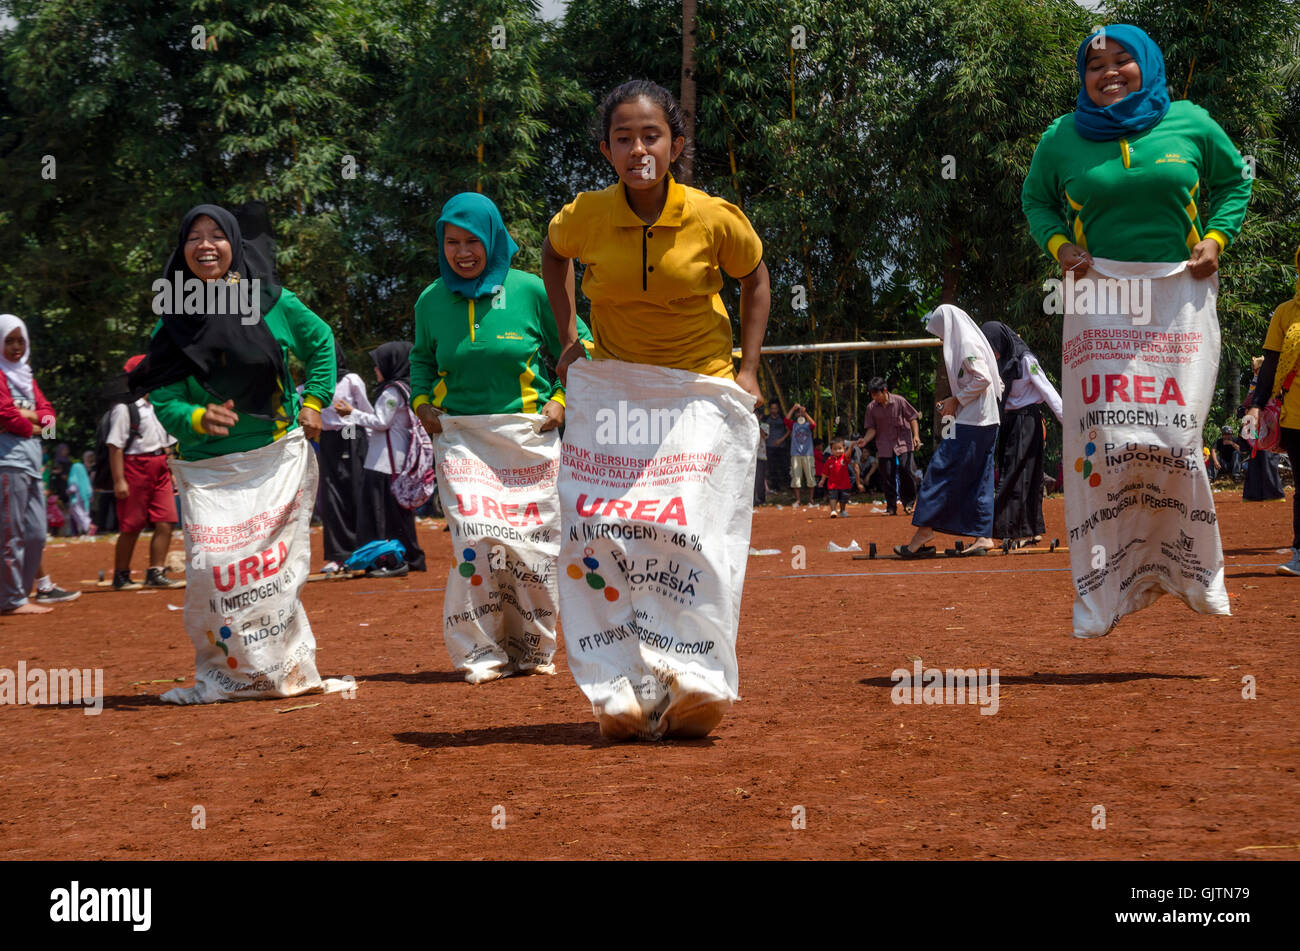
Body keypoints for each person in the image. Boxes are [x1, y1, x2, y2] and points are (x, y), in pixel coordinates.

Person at [543, 79, 770, 738]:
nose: (638, 148)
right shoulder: (585, 215)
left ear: (674, 143)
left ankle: (695, 674)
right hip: (615, 390)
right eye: (623, 137)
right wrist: (568, 339)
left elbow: (754, 278)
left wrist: (749, 369)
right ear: (607, 147)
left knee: (686, 527)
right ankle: (620, 682)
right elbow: (555, 253)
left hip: (698, 390)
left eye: (651, 135)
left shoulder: (711, 217)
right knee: (600, 527)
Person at [1021, 24, 1250, 634]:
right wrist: (1061, 246)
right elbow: (1036, 200)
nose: (1110, 72)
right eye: (1096, 65)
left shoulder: (1191, 123)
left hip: (1179, 304)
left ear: (1146, 64)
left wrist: (1215, 238)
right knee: (1107, 446)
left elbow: (1235, 183)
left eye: (1123, 60)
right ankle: (1104, 594)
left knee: (1176, 445)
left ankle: (1194, 576)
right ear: (1083, 77)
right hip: (1099, 304)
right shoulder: (1063, 138)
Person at [128, 202, 338, 703]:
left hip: (274, 458)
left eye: (217, 236)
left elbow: (323, 342)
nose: (206, 245)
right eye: (194, 236)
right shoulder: (172, 322)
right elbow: (164, 395)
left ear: (236, 246)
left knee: (274, 572)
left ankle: (283, 670)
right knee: (214, 568)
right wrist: (198, 418)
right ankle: (228, 674)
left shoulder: (273, 301)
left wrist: (313, 402)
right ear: (181, 251)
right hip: (208, 470)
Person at [409, 191, 591, 682]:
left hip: (529, 437)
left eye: (472, 241)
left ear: (493, 238)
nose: (462, 252)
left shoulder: (532, 289)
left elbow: (579, 344)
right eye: (451, 242)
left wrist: (563, 401)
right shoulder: (430, 300)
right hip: (463, 439)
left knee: (532, 547)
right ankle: (481, 652)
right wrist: (421, 401)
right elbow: (422, 358)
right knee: (476, 537)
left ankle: (533, 649)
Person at [896, 305, 1002, 558]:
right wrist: (955, 401)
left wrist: (957, 401)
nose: (940, 338)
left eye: (940, 332)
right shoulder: (970, 340)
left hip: (974, 423)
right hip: (984, 421)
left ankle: (924, 531)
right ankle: (983, 536)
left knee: (939, 470)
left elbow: (984, 378)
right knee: (981, 478)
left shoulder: (965, 343)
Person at [336, 341, 425, 576]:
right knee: (398, 517)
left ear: (390, 364)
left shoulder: (392, 392)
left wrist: (351, 413)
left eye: (378, 365)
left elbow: (381, 423)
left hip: (384, 464)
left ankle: (388, 561)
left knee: (379, 517)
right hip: (392, 462)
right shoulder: (407, 388)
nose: (375, 370)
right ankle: (407, 558)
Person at [980, 321, 1064, 546]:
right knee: (1017, 472)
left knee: (1021, 474)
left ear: (1002, 341)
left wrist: (1067, 420)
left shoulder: (1026, 360)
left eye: (993, 346)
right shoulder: (999, 363)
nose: (993, 352)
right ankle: (1029, 529)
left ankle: (1012, 529)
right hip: (1008, 421)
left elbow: (1047, 390)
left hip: (1027, 421)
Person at [1243, 244, 1300, 576]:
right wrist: (1256, 407)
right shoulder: (1286, 313)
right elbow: (1271, 364)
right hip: (1295, 416)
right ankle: (1299, 553)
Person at [0, 314, 57, 614]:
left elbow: (50, 418)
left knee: (35, 533)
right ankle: (12, 599)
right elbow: (4, 414)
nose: (15, 347)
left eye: (20, 340)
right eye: (8, 341)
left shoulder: (25, 376)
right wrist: (31, 422)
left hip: (33, 463)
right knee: (11, 534)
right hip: (8, 462)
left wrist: (31, 421)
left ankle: (17, 594)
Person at [108, 354, 181, 589]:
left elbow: (166, 444)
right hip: (134, 467)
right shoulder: (125, 408)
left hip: (159, 465)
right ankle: (121, 575)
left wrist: (172, 472)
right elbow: (115, 447)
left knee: (166, 520)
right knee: (132, 524)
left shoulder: (161, 405)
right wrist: (119, 480)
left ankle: (155, 572)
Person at [316, 341, 371, 574]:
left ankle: (364, 551)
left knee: (356, 492)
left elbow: (367, 412)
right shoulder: (312, 384)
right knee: (331, 497)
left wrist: (370, 444)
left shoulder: (351, 380)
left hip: (352, 435)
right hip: (328, 440)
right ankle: (338, 556)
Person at [856, 377, 921, 516]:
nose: (874, 397)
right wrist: (865, 440)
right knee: (887, 475)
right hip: (884, 444)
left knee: (906, 470)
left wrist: (916, 436)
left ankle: (909, 503)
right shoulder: (871, 407)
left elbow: (913, 418)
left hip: (903, 442)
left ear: (884, 390)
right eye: (872, 394)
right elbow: (872, 429)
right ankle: (891, 507)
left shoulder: (899, 401)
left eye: (876, 394)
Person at [1240, 355, 1285, 501]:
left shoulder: (1268, 381)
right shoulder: (1256, 381)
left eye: (1256, 367)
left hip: (1266, 420)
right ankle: (1255, 494)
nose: (1254, 369)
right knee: (1255, 453)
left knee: (1266, 453)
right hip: (1256, 421)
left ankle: (1268, 493)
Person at [787, 402, 816, 507]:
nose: (800, 414)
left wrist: (806, 414)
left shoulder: (808, 425)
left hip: (808, 454)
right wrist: (793, 408)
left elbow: (814, 424)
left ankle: (811, 499)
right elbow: (786, 420)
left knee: (810, 477)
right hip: (795, 454)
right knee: (796, 477)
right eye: (798, 413)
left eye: (801, 412)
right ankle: (798, 500)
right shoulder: (793, 425)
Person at [763, 400, 791, 491]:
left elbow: (789, 430)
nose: (773, 410)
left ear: (778, 409)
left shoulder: (783, 418)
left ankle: (787, 486)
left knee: (784, 466)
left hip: (781, 447)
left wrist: (781, 440)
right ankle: (775, 487)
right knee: (772, 468)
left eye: (775, 408)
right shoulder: (766, 419)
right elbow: (763, 431)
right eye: (772, 408)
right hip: (769, 446)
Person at [820, 437, 852, 517]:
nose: (838, 451)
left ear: (844, 448)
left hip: (844, 484)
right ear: (831, 450)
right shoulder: (829, 460)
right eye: (835, 449)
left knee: (843, 498)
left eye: (840, 448)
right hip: (832, 484)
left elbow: (848, 454)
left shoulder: (844, 458)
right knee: (833, 497)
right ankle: (833, 511)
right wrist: (822, 481)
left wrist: (851, 447)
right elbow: (825, 472)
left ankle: (842, 511)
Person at [66, 449, 94, 536]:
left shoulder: (74, 479)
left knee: (79, 515)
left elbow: (72, 489)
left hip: (75, 501)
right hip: (85, 501)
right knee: (83, 515)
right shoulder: (85, 480)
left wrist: (67, 491)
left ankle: (88, 527)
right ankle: (81, 530)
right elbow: (90, 491)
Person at [755, 413, 768, 505]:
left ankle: (761, 499)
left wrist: (757, 425)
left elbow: (765, 436)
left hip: (761, 456)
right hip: (751, 456)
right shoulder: (748, 424)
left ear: (760, 416)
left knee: (760, 478)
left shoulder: (765, 426)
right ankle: (753, 500)